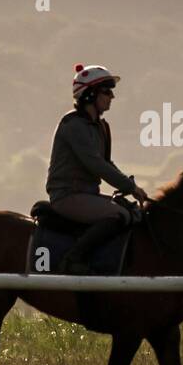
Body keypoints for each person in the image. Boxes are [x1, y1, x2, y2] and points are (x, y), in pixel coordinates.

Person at [45, 63, 150, 274]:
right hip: (67, 195)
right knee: (118, 215)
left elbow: (106, 162)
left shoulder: (102, 126)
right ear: (90, 94)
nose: (112, 97)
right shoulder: (73, 126)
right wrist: (130, 187)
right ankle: (73, 259)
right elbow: (95, 163)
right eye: (107, 92)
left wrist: (131, 186)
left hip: (87, 194)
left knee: (133, 213)